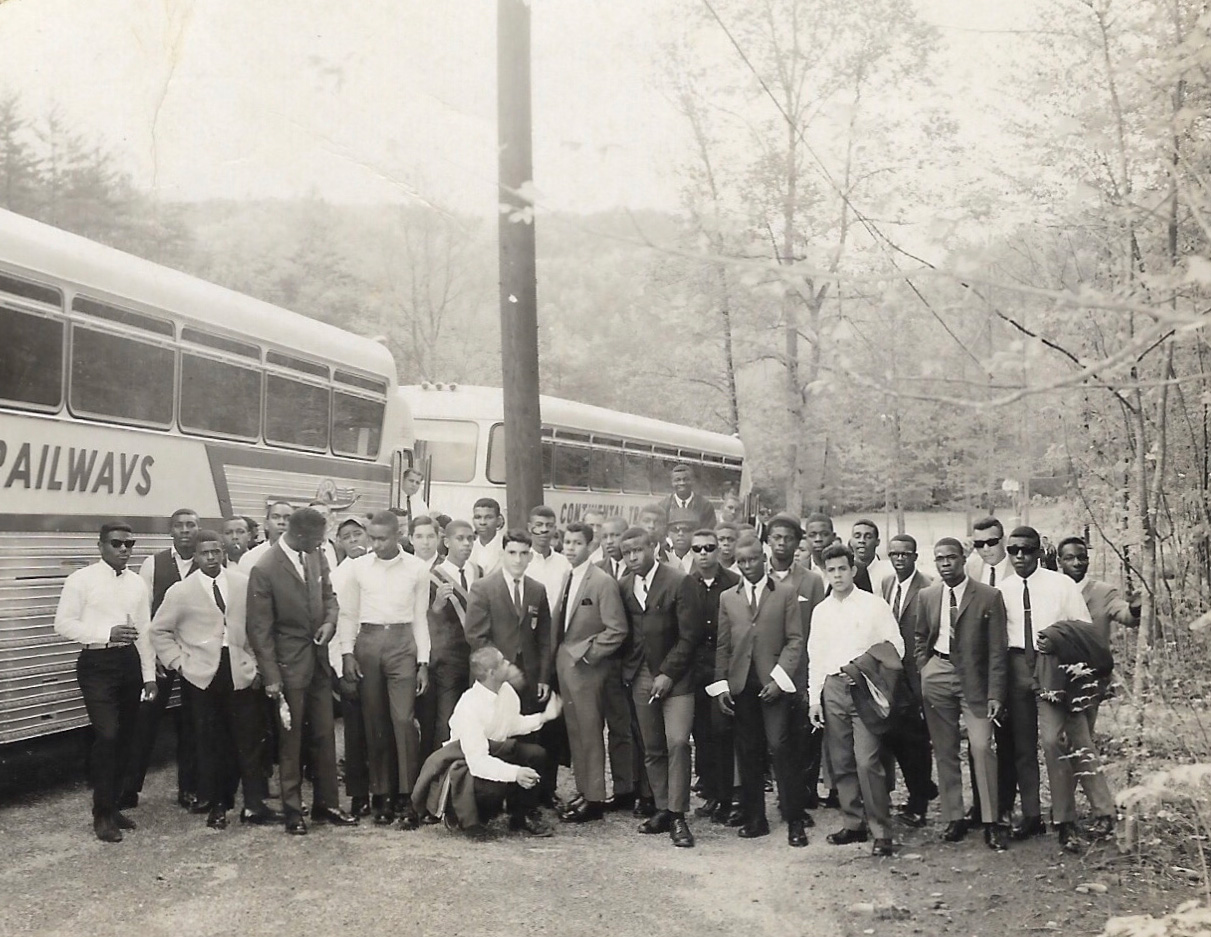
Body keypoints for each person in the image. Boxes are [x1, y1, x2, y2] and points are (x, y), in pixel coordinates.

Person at [150, 530, 280, 830]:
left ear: (223, 553)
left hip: (239, 669)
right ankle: (218, 804)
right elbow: (159, 631)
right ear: (194, 556)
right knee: (211, 742)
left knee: (249, 740)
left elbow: (259, 627)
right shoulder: (181, 591)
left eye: (216, 551)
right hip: (203, 675)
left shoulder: (241, 584)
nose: (211, 557)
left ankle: (254, 804)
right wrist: (180, 664)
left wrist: (257, 665)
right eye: (204, 553)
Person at [246, 507, 357, 834]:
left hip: (318, 664)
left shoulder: (315, 556)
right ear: (300, 535)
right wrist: (272, 677)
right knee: (290, 741)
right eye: (319, 539)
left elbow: (330, 598)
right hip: (287, 667)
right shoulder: (264, 568)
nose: (323, 544)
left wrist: (329, 622)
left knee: (324, 734)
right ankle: (293, 812)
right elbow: (259, 630)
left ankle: (327, 804)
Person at [54, 521, 158, 843]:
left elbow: (145, 631)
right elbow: (63, 624)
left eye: (130, 544)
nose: (124, 550)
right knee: (108, 735)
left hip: (128, 663)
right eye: (117, 544)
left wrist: (149, 676)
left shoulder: (137, 583)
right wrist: (105, 634)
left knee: (125, 737)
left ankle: (112, 808)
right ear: (100, 546)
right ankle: (101, 815)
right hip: (96, 663)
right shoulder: (80, 580)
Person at [997, 526, 1097, 848]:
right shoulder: (1003, 589)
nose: (1020, 557)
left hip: (1050, 665)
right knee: (1022, 746)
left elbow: (1084, 630)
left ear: (1040, 552)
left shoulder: (1061, 585)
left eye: (1027, 550)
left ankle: (1065, 820)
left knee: (1054, 740)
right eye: (1013, 551)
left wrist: (1059, 645)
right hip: (1015, 666)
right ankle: (1030, 816)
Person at [709, 535, 807, 847]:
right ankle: (756, 818)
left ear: (763, 558)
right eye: (741, 561)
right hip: (742, 686)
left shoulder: (786, 593)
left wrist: (779, 680)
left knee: (779, 747)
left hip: (773, 684)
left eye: (753, 559)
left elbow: (795, 640)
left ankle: (794, 819)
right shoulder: (728, 597)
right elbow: (723, 645)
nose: (748, 566)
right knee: (748, 752)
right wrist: (722, 686)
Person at [335, 511, 430, 829]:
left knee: (402, 719)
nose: (374, 545)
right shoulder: (358, 568)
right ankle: (381, 794)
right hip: (369, 641)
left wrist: (423, 662)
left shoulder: (417, 568)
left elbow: (420, 617)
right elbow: (347, 614)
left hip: (403, 643)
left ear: (398, 534)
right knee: (373, 720)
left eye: (381, 538)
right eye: (371, 538)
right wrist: (348, 653)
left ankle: (408, 795)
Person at [808, 544, 904, 857]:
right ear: (825, 572)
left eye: (842, 569)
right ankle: (853, 822)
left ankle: (881, 830)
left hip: (864, 689)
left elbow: (896, 647)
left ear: (852, 570)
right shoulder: (821, 611)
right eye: (831, 570)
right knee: (842, 760)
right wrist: (814, 700)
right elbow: (816, 658)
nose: (837, 575)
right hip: (833, 689)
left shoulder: (874, 606)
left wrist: (864, 668)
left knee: (867, 760)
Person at [914, 538, 1009, 850]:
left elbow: (998, 649)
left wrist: (996, 693)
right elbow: (920, 636)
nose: (945, 564)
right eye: (939, 558)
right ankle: (954, 817)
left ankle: (991, 821)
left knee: (982, 747)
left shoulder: (988, 596)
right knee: (944, 749)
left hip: (976, 681)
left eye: (951, 558)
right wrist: (925, 668)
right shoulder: (927, 595)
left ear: (963, 558)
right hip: (938, 673)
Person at [414, 647, 560, 837]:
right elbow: (478, 763)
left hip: (492, 753)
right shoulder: (470, 705)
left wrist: (544, 717)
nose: (508, 664)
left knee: (536, 754)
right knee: (495, 788)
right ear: (492, 673)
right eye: (502, 662)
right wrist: (515, 773)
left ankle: (521, 817)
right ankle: (457, 814)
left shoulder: (506, 691)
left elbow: (512, 724)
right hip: (466, 765)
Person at [618, 527, 703, 848]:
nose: (633, 557)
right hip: (639, 676)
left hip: (676, 677)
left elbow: (690, 636)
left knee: (678, 742)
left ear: (653, 547)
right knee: (652, 747)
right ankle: (663, 808)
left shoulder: (678, 581)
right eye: (627, 552)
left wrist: (668, 672)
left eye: (638, 550)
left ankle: (679, 815)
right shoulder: (625, 585)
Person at [464, 529, 556, 802]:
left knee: (530, 735)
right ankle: (492, 795)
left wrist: (542, 676)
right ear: (503, 554)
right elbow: (476, 635)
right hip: (496, 676)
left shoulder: (537, 589)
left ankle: (530, 801)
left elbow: (544, 638)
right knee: (497, 734)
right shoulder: (484, 587)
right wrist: (499, 668)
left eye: (524, 553)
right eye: (512, 553)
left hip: (527, 675)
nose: (518, 559)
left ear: (530, 556)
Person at [552, 522, 629, 823]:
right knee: (576, 733)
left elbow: (617, 629)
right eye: (567, 542)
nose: (570, 547)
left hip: (587, 669)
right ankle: (584, 792)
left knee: (590, 732)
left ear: (589, 545)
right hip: (566, 667)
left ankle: (595, 799)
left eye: (576, 543)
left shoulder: (601, 581)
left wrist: (589, 655)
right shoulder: (567, 576)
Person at [130, 507, 200, 811]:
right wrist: (151, 656)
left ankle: (189, 789)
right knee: (145, 720)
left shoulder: (208, 560)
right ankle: (128, 789)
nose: (185, 530)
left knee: (192, 722)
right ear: (171, 531)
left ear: (197, 529)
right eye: (179, 526)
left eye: (191, 525)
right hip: (161, 652)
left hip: (195, 655)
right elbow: (143, 614)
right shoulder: (153, 563)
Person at [765, 513, 828, 814]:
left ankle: (804, 796)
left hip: (802, 671)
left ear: (797, 543)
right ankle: (785, 796)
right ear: (768, 541)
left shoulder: (812, 581)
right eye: (776, 537)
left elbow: (817, 629)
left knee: (805, 737)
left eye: (788, 538)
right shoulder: (756, 577)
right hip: (768, 672)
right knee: (777, 740)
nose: (782, 543)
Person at [878, 534, 938, 828]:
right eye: (894, 554)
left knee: (917, 739)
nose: (899, 559)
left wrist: (924, 673)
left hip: (917, 674)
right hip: (892, 674)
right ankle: (923, 787)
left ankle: (919, 804)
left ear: (915, 556)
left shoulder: (928, 587)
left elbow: (931, 633)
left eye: (905, 554)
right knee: (896, 736)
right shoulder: (887, 584)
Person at [686, 528, 740, 824]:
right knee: (702, 735)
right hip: (696, 671)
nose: (703, 553)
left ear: (719, 549)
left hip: (725, 670)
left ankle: (728, 795)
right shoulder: (686, 584)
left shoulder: (733, 582)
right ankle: (710, 793)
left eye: (709, 547)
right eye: (697, 549)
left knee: (724, 733)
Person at [1056, 535, 1138, 729]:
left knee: (1082, 729)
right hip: (1055, 672)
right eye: (1069, 558)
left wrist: (1135, 608)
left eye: (1081, 557)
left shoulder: (1103, 592)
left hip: (1091, 673)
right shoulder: (1051, 589)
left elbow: (1125, 615)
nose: (1076, 563)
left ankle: (1085, 757)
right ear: (1059, 562)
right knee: (1057, 733)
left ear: (1088, 560)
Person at [418, 519, 478, 762]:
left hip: (476, 657)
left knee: (475, 720)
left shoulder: (479, 572)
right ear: (446, 542)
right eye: (459, 539)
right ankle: (440, 781)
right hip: (448, 659)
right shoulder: (433, 576)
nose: (466, 544)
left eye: (470, 539)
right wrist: (437, 606)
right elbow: (423, 620)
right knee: (447, 719)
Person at [524, 505, 572, 618]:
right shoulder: (522, 560)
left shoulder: (565, 563)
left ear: (555, 529)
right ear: (530, 527)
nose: (544, 530)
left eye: (549, 525)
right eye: (539, 525)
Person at [239, 501, 294, 572]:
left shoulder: (304, 557)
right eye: (275, 517)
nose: (281, 522)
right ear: (266, 524)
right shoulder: (250, 558)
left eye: (288, 518)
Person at [663, 463, 718, 530]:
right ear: (672, 483)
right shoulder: (663, 506)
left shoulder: (705, 506)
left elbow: (708, 532)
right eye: (677, 480)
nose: (682, 483)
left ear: (693, 481)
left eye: (686, 479)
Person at [850, 519, 893, 593]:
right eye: (857, 536)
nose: (862, 541)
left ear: (877, 542)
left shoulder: (889, 572)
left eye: (868, 537)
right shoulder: (844, 570)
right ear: (851, 541)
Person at [469, 497, 505, 575]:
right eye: (478, 517)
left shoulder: (506, 547)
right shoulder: (468, 548)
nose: (482, 522)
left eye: (488, 517)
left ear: (498, 520)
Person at [666, 507, 698, 573]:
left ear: (694, 532)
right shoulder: (663, 558)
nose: (681, 533)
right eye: (675, 529)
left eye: (686, 529)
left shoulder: (701, 557)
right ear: (669, 533)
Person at [596, 516, 629, 581]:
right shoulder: (597, 569)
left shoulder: (637, 567)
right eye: (605, 537)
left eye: (615, 535)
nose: (609, 541)